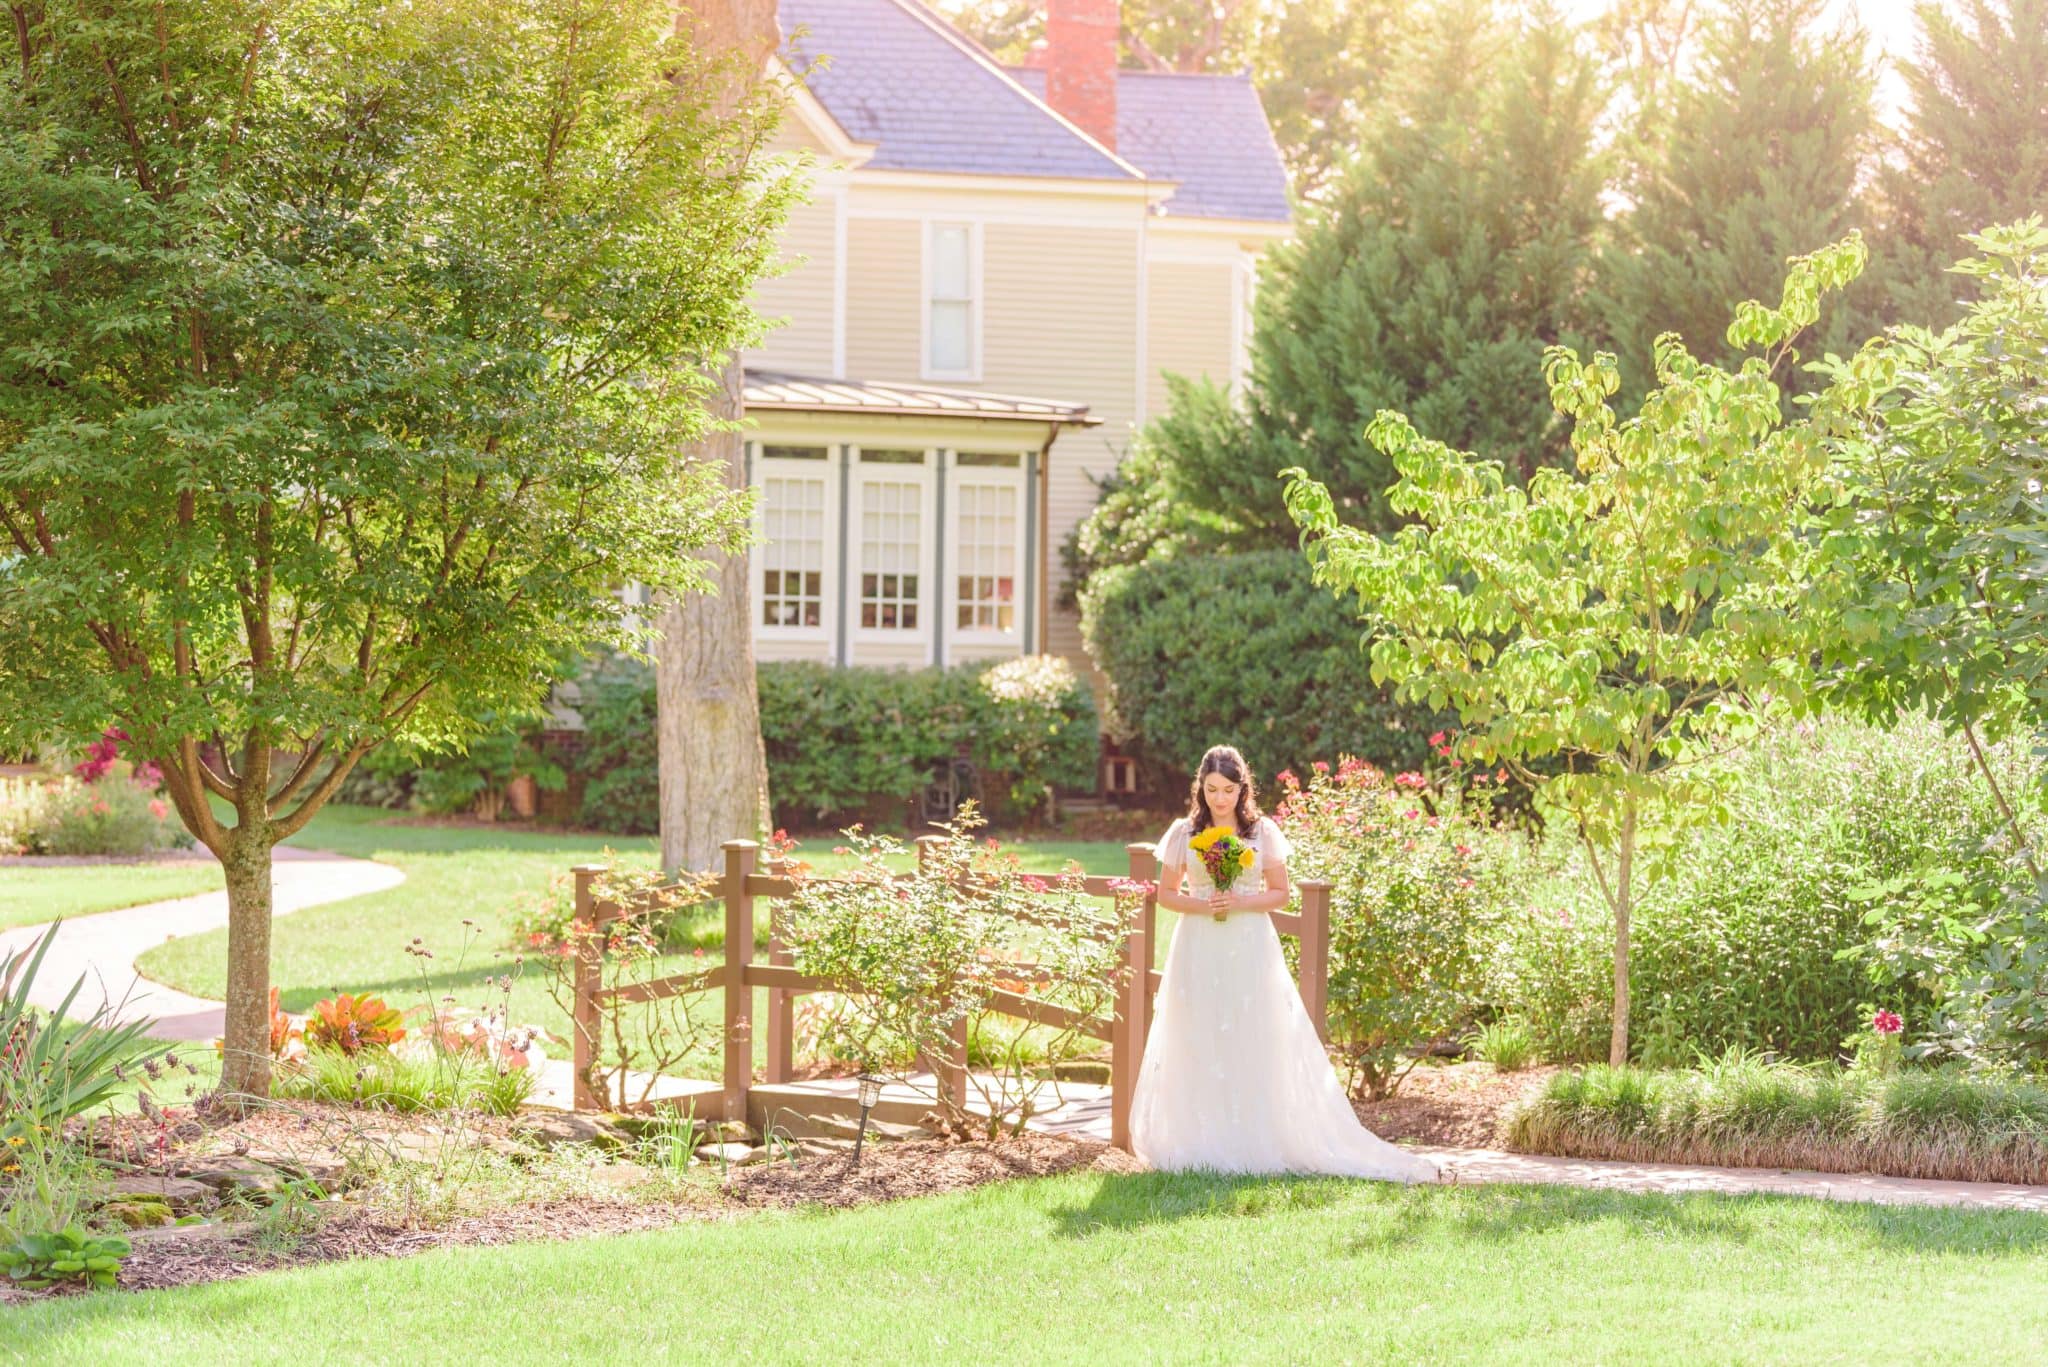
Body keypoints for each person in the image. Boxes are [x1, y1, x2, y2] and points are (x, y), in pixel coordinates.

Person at [1128, 744, 1443, 1182]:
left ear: (1243, 789)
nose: (1220, 799)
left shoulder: (1262, 833)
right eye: (1212, 789)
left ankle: (1257, 1136)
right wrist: (1206, 906)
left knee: (1252, 1030)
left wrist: (1238, 901)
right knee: (1198, 1032)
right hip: (1198, 944)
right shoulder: (1184, 832)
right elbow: (1166, 895)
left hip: (1249, 943)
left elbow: (1281, 892)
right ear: (1200, 788)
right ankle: (1199, 1140)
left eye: (1229, 790)